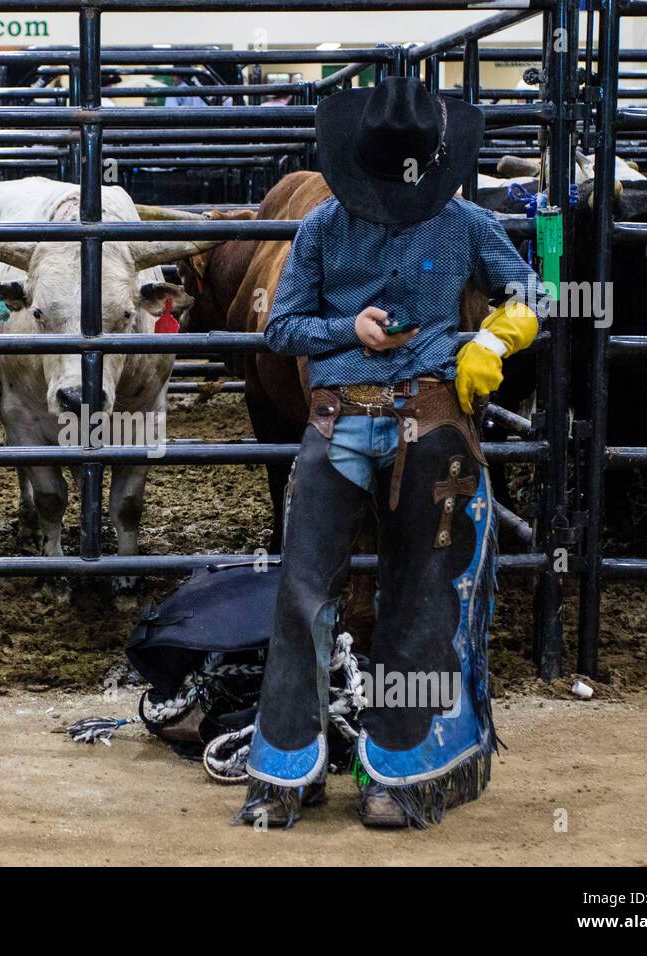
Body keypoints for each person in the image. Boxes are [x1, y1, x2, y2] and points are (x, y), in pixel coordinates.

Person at [234, 76, 546, 830]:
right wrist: (352, 332)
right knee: (313, 594)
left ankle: (375, 773)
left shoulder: (465, 223)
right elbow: (281, 329)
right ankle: (308, 769)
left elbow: (532, 290)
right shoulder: (322, 228)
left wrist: (496, 340)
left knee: (412, 599)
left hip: (418, 415)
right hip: (348, 417)